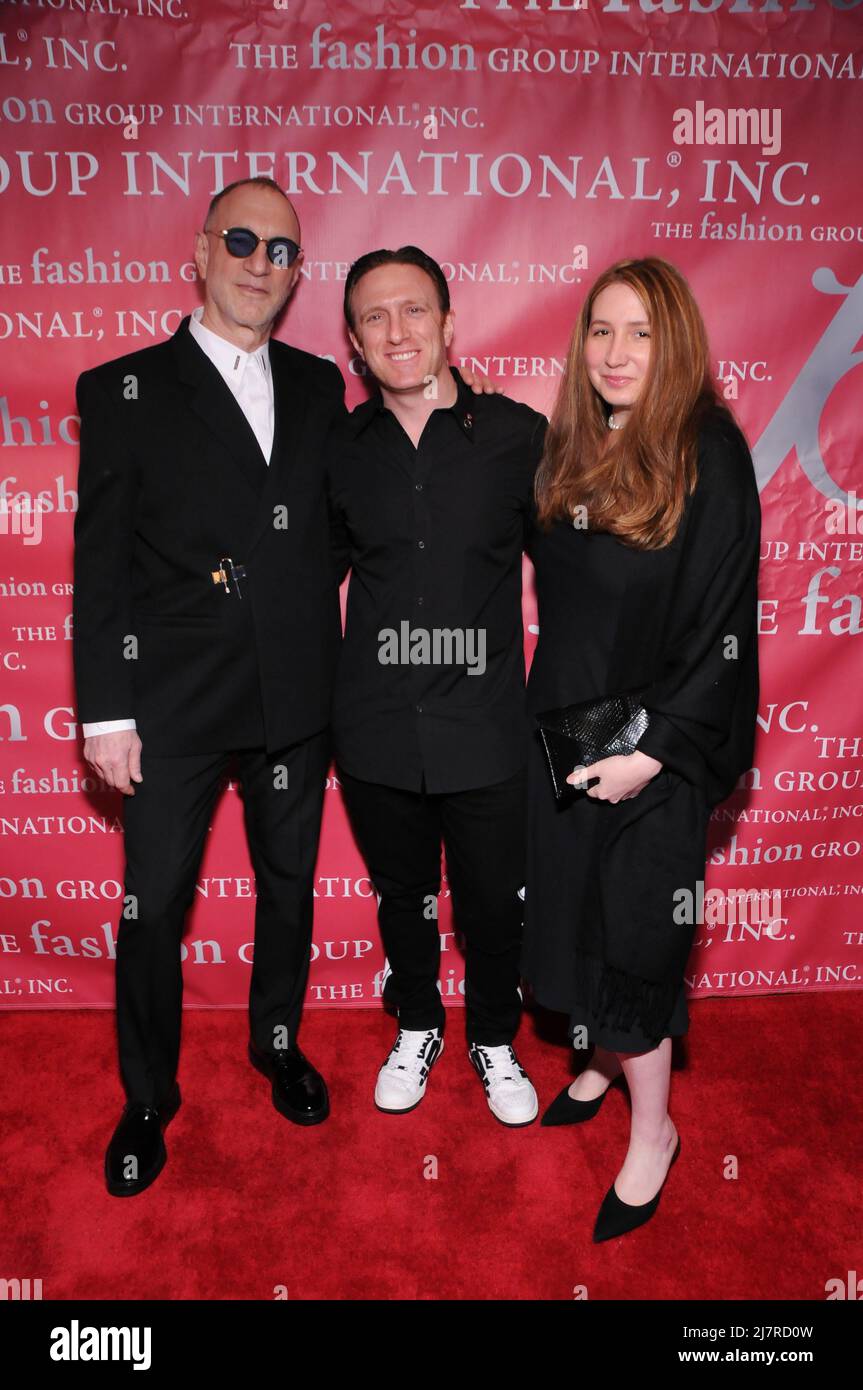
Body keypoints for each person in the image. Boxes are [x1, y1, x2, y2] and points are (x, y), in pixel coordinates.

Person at [521, 257, 760, 1239]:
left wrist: (653, 750)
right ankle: (602, 1058)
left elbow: (722, 626)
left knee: (637, 935)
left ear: (676, 344)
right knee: (577, 919)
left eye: (639, 333)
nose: (614, 353)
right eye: (599, 331)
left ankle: (651, 1130)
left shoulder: (708, 447)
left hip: (655, 745)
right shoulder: (574, 443)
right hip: (566, 731)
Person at [328, 247, 546, 1124]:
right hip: (376, 724)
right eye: (375, 317)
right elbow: (302, 576)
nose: (397, 331)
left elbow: (579, 574)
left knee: (494, 904)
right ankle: (416, 1020)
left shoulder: (518, 437)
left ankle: (493, 1038)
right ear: (354, 342)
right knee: (402, 896)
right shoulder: (338, 449)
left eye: (413, 310)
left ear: (449, 324)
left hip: (488, 727)